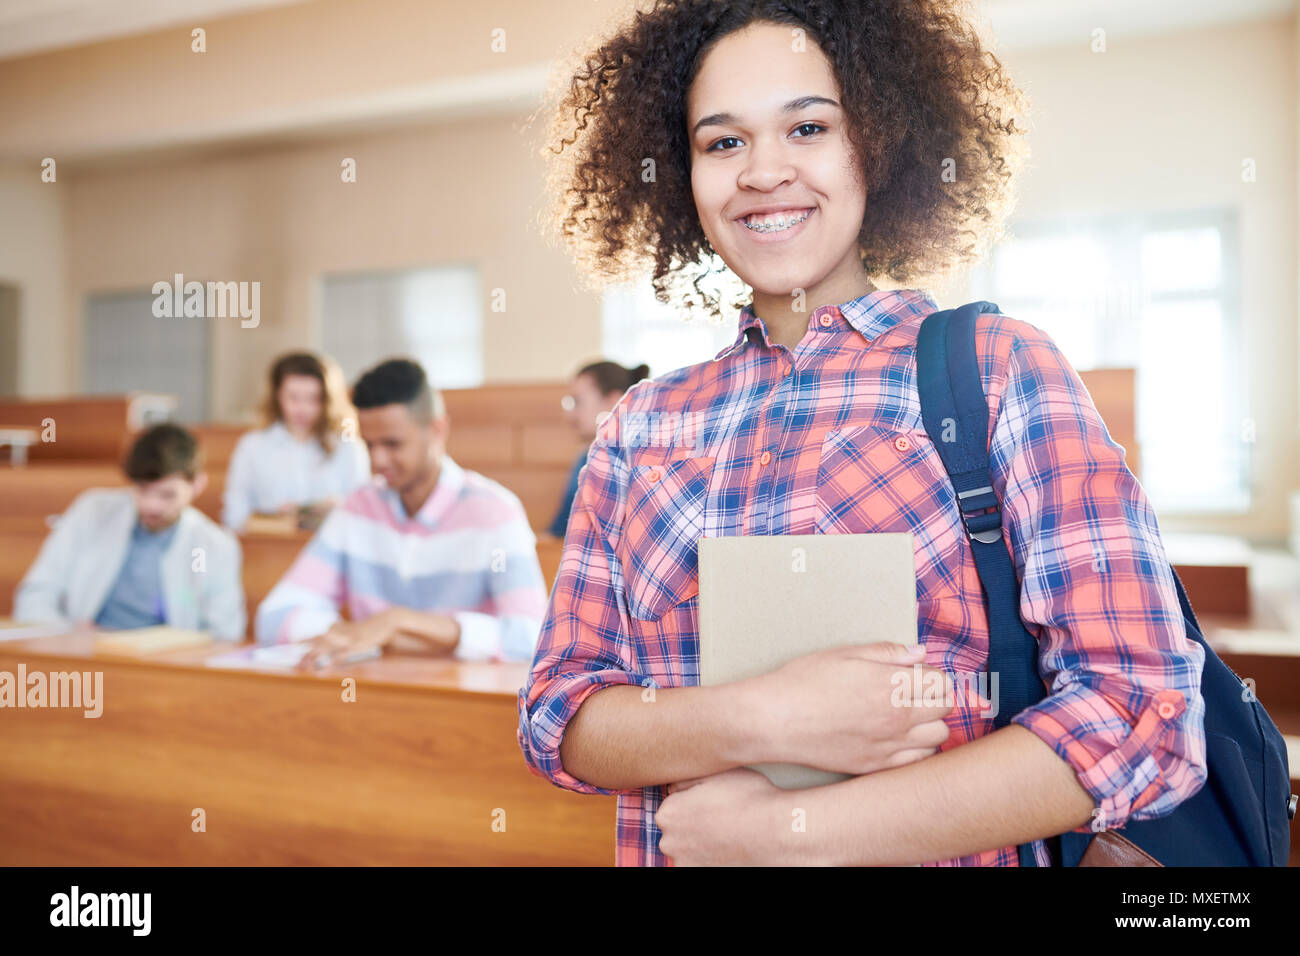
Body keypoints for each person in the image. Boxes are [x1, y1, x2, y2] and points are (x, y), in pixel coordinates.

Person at [517, 1, 1207, 866]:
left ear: (881, 142)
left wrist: (789, 835)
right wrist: (764, 714)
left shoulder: (998, 372)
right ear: (681, 176)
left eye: (808, 127)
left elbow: (1141, 717)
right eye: (722, 142)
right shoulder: (640, 427)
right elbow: (559, 714)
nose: (764, 171)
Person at [255, 358, 548, 666]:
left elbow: (531, 637)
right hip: (372, 697)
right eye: (369, 445)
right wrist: (363, 635)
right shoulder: (357, 509)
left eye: (393, 444)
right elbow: (274, 617)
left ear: (437, 430)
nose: (378, 460)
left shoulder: (496, 512)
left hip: (462, 701)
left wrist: (397, 622)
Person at [15, 423, 245, 639]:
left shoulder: (214, 546)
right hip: (83, 652)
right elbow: (36, 595)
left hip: (162, 668)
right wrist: (66, 634)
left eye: (167, 495)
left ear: (198, 485)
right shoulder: (91, 512)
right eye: (142, 489)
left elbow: (224, 634)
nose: (150, 505)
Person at [222, 351, 370, 531]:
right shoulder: (252, 446)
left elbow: (363, 516)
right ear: (277, 395)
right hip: (269, 550)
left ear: (328, 400)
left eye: (314, 399)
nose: (303, 409)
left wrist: (333, 510)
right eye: (293, 398)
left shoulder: (349, 447)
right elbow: (233, 517)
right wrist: (282, 522)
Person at [548, 360, 650, 539]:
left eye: (577, 402)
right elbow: (560, 532)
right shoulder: (585, 458)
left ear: (613, 402)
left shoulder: (633, 461)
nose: (569, 414)